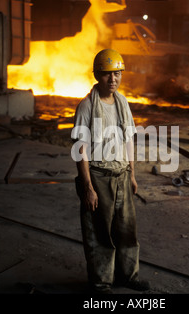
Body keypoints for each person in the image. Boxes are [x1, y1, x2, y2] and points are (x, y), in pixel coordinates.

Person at [71, 49, 150, 294]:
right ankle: (101, 283)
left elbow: (128, 140)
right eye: (107, 74)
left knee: (127, 230)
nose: (113, 79)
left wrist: (132, 174)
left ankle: (128, 276)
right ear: (97, 75)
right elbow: (80, 149)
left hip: (122, 175)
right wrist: (88, 187)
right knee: (100, 233)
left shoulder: (122, 102)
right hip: (99, 177)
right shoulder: (86, 106)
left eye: (117, 73)